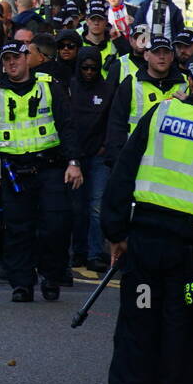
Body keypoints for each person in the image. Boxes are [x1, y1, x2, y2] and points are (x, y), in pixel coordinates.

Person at [101, 91, 193, 384]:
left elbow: (125, 170)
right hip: (187, 254)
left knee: (138, 327)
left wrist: (116, 232)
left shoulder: (162, 112)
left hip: (145, 244)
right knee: (182, 334)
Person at [0, 42, 82, 301]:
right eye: (7, 59)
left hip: (50, 168)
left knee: (55, 227)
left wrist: (74, 162)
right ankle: (21, 284)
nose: (12, 63)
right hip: (14, 172)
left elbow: (67, 125)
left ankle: (51, 277)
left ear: (27, 58)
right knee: (18, 230)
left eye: (16, 58)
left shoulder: (49, 85)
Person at [67, 45, 114, 273]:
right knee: (76, 207)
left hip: (97, 156)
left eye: (93, 68)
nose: (88, 72)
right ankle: (79, 251)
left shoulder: (107, 89)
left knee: (96, 206)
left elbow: (114, 119)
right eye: (84, 67)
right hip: (75, 155)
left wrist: (105, 145)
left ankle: (95, 253)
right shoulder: (70, 86)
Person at [104, 36, 188, 165]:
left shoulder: (186, 83)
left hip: (175, 162)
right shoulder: (131, 83)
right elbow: (116, 123)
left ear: (172, 57)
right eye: (156, 52)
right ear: (146, 55)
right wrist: (116, 161)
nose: (162, 57)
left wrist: (190, 103)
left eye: (166, 53)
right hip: (136, 159)